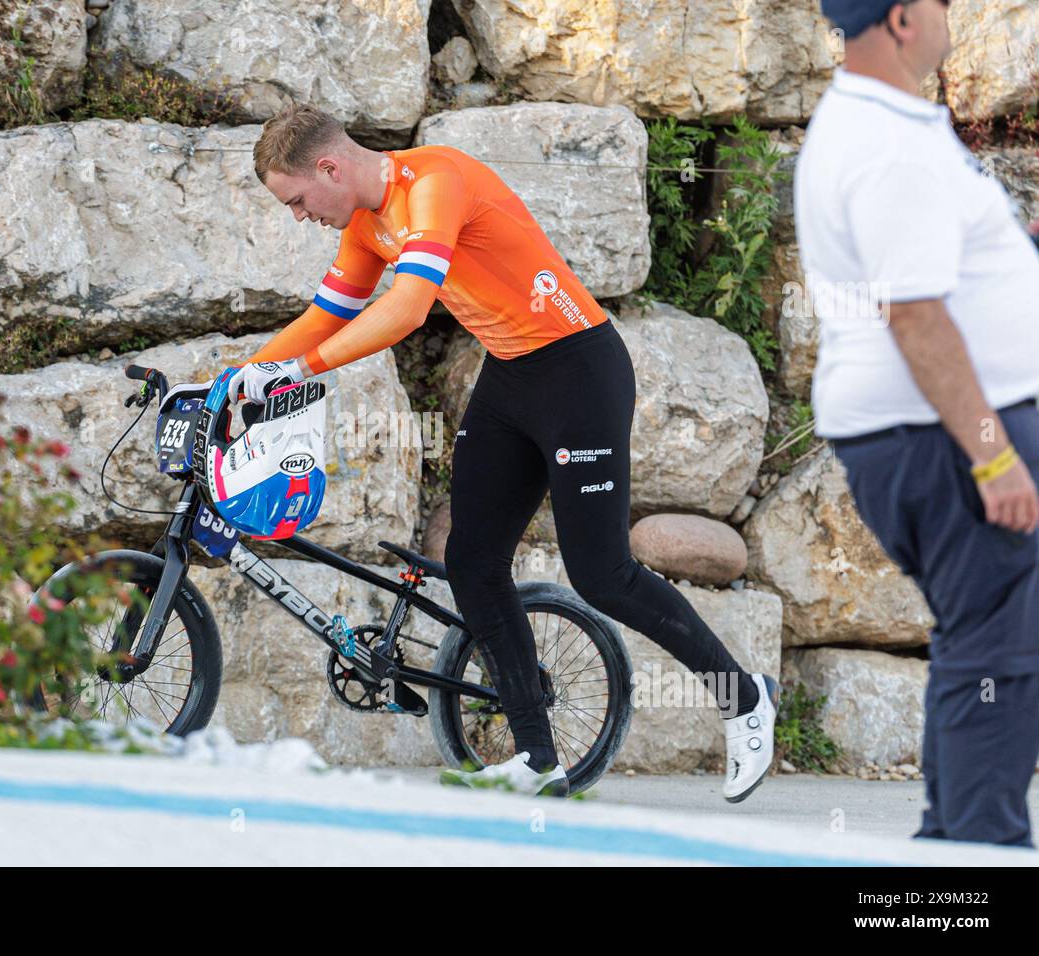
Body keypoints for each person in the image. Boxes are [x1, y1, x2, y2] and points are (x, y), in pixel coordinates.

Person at [234, 103, 779, 799]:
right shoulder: (367, 227)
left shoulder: (433, 181)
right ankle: (537, 756)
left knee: (603, 573)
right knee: (472, 560)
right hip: (511, 373)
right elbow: (326, 316)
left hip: (578, 370)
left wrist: (298, 373)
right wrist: (230, 380)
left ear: (329, 167)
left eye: (298, 200)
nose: (300, 215)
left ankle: (744, 697)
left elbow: (403, 310)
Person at [798, 0, 1039, 845]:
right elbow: (917, 317)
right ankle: (976, 859)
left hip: (928, 433)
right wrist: (992, 457)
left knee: (989, 637)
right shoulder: (886, 146)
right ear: (903, 20)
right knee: (996, 655)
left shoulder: (887, 122)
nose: (951, 17)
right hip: (945, 438)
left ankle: (953, 849)